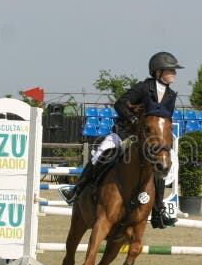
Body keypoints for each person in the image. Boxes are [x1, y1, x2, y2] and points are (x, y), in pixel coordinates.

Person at [67, 51, 183, 230]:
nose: (174, 74)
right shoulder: (143, 87)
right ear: (158, 72)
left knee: (162, 165)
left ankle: (158, 209)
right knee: (101, 153)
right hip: (126, 132)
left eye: (174, 71)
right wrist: (134, 120)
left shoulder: (171, 95)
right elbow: (120, 103)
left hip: (150, 140)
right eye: (171, 70)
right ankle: (77, 190)